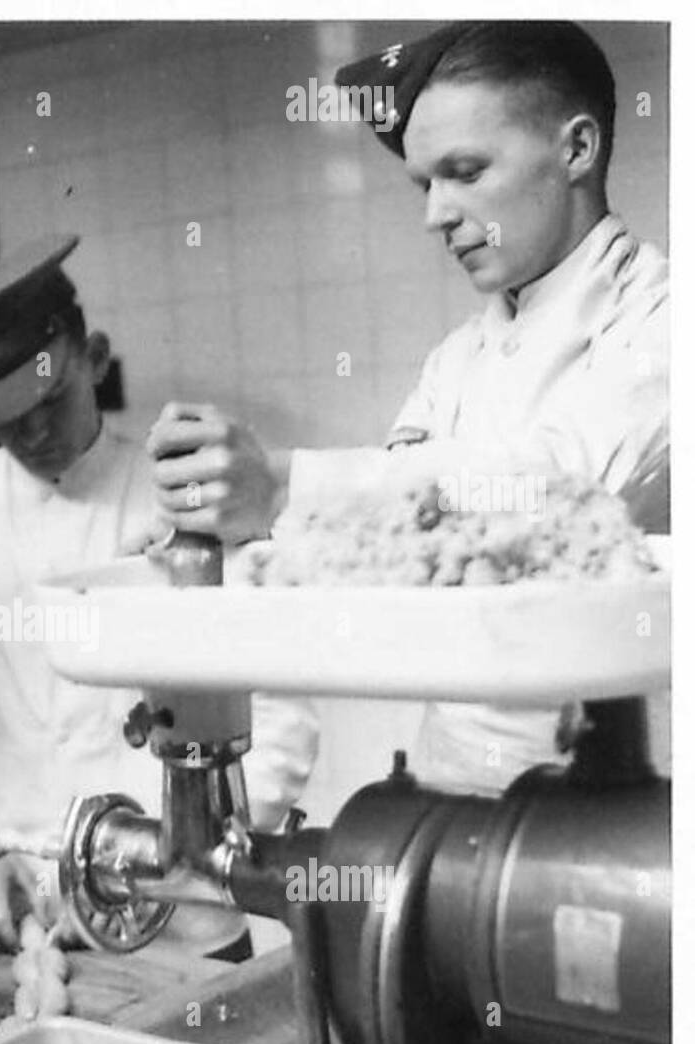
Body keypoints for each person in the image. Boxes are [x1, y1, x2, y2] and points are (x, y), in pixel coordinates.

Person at [145, 20, 669, 792]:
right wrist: (229, 538)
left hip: (633, 792)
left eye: (464, 171)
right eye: (426, 184)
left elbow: (554, 488)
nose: (436, 214)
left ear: (578, 148)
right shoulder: (456, 361)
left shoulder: (662, 319)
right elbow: (391, 547)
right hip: (449, 780)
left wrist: (283, 486)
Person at [0, 235, 319, 957]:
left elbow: (283, 707)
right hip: (20, 925)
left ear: (95, 357)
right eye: (6, 423)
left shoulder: (190, 494)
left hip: (184, 925)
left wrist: (192, 854)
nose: (36, 431)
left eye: (50, 398)